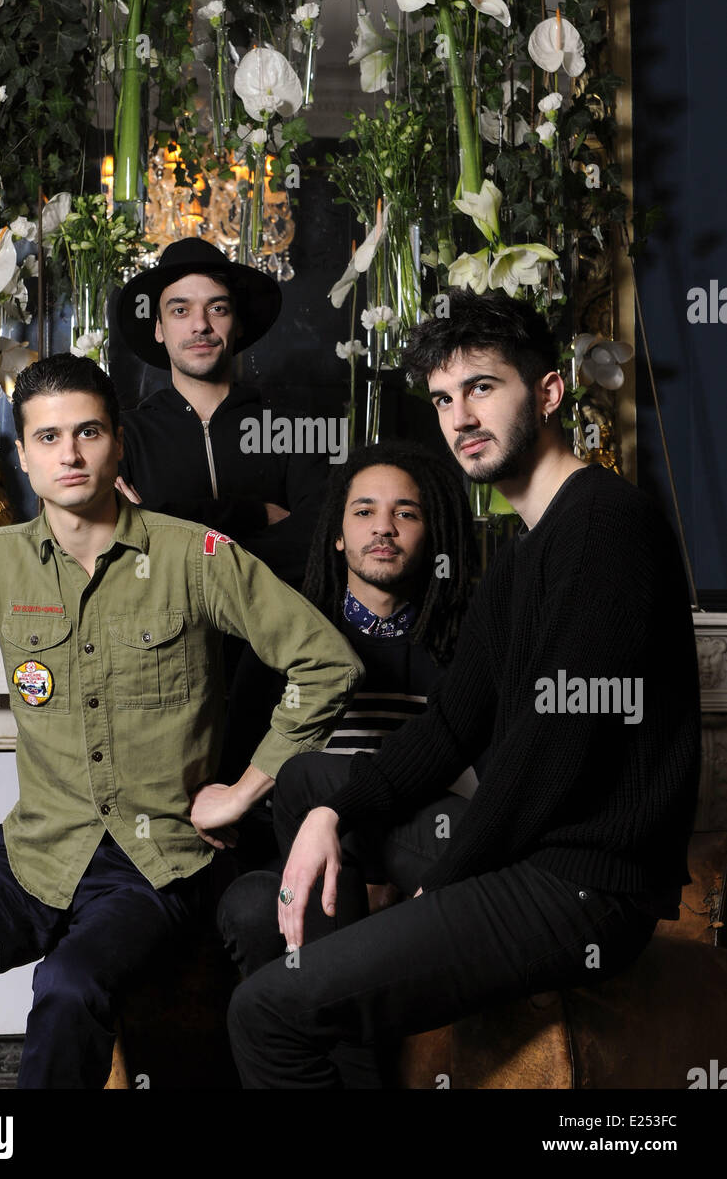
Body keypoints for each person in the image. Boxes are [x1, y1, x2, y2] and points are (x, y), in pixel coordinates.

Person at [225, 289, 702, 1089]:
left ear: (547, 393)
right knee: (312, 779)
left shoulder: (603, 527)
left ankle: (325, 1001)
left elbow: (553, 751)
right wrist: (329, 814)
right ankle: (351, 1033)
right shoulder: (518, 551)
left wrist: (440, 886)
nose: (459, 417)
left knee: (265, 1012)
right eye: (444, 399)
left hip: (579, 888)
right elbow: (448, 727)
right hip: (529, 856)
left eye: (482, 387)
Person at [0, 354, 363, 1090]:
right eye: (49, 437)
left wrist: (244, 789)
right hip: (33, 861)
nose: (69, 454)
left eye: (88, 432)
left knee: (68, 989)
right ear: (23, 455)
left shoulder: (196, 555)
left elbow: (328, 663)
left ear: (118, 442)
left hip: (152, 870)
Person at [217, 440, 478, 984]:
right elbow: (246, 781)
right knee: (248, 904)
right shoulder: (286, 649)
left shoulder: (465, 647)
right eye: (364, 512)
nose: (383, 528)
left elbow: (487, 783)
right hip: (305, 854)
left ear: (430, 535)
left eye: (405, 513)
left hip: (415, 851)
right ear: (338, 535)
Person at [114, 238, 329, 587]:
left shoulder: (295, 432)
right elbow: (120, 556)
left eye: (217, 308)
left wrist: (157, 523)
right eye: (180, 310)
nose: (200, 325)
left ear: (238, 324)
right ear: (158, 328)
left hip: (271, 637)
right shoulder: (123, 436)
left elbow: (317, 546)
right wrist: (255, 513)